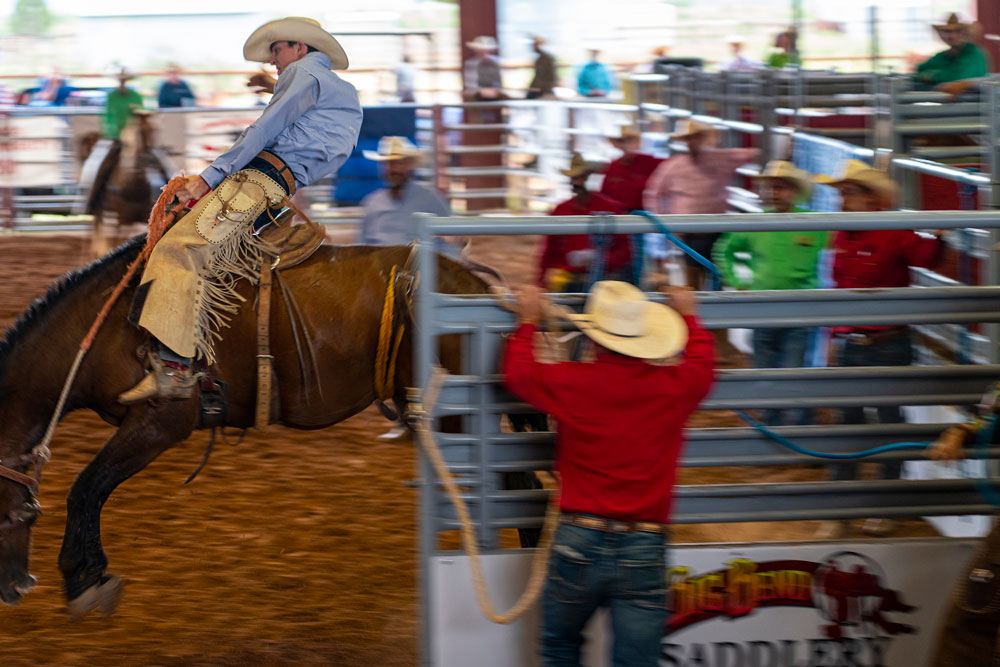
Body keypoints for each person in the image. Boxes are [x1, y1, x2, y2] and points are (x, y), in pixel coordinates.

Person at [118, 16, 362, 404]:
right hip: (280, 187)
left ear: (299, 48)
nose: (272, 61)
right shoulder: (338, 89)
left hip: (257, 183)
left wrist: (209, 176)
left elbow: (263, 130)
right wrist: (276, 87)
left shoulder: (302, 77)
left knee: (179, 247)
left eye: (276, 50)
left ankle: (176, 367)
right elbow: (310, 129)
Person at [503, 280, 714, 666]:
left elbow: (518, 375)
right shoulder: (674, 386)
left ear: (594, 338)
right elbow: (703, 366)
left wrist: (527, 322)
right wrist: (691, 316)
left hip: (578, 537)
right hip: (644, 544)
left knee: (560, 647)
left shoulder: (572, 381)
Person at [813, 159, 944, 538]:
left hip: (888, 341)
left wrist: (940, 232)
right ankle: (841, 511)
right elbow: (838, 291)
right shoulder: (841, 233)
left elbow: (926, 256)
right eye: (840, 194)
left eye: (849, 193)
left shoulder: (892, 232)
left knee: (887, 426)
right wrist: (834, 338)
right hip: (854, 341)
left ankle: (886, 508)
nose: (841, 201)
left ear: (873, 200)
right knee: (847, 426)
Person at [714, 161, 825, 425]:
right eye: (771, 186)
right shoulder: (755, 222)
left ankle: (799, 424)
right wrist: (737, 280)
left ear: (795, 192)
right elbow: (725, 249)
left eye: (782, 187)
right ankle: (772, 419)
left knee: (794, 368)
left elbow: (841, 242)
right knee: (766, 366)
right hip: (763, 307)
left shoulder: (814, 224)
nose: (775, 192)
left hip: (800, 308)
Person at [642, 118, 759, 289]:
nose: (692, 142)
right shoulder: (674, 166)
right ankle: (697, 313)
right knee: (692, 283)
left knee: (719, 278)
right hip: (689, 234)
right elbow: (653, 194)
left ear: (704, 138)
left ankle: (715, 311)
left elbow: (754, 153)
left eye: (696, 137)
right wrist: (664, 224)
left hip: (717, 231)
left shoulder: (721, 158)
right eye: (689, 138)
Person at [538, 152, 632, 292]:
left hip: (605, 279)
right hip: (570, 280)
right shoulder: (561, 210)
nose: (576, 182)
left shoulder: (611, 207)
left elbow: (625, 250)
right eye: (573, 178)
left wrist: (601, 260)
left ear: (588, 177)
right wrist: (540, 283)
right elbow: (549, 251)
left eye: (580, 178)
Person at [914, 14, 988, 91]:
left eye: (958, 31)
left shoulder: (975, 53)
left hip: (976, 102)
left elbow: (959, 76)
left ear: (965, 33)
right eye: (947, 31)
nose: (952, 36)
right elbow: (921, 69)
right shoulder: (944, 55)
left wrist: (932, 76)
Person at [599, 128, 663, 212]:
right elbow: (605, 194)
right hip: (620, 215)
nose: (626, 145)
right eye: (622, 141)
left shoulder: (649, 162)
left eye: (630, 141)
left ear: (637, 143)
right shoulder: (613, 166)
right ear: (617, 145)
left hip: (646, 214)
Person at [102, 68, 143, 140]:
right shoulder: (112, 96)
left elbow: (140, 111)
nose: (122, 82)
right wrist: (110, 127)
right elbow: (108, 113)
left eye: (124, 80)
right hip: (116, 126)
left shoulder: (135, 96)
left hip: (131, 127)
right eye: (121, 80)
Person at [463, 35, 503, 101]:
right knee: (469, 95)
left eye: (487, 50)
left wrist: (495, 90)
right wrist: (482, 91)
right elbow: (471, 84)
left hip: (494, 91)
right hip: (477, 92)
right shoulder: (471, 63)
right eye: (481, 50)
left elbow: (499, 81)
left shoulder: (497, 62)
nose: (484, 52)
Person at [526, 35, 556, 100]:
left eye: (534, 44)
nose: (532, 47)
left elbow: (549, 75)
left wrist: (539, 87)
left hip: (543, 89)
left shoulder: (546, 58)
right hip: (539, 88)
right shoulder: (541, 58)